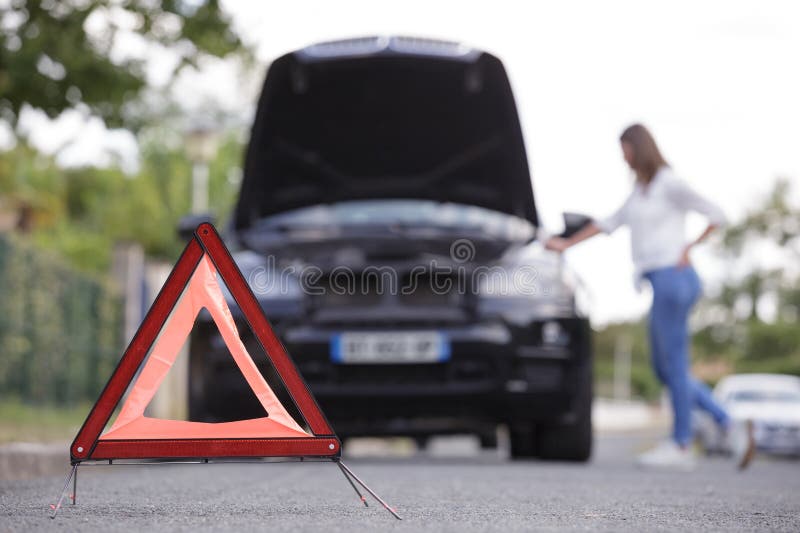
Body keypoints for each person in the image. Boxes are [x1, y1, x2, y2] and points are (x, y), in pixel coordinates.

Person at [545, 123, 755, 470]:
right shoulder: (639, 192)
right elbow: (608, 223)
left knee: (673, 366)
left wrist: (690, 247)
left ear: (638, 147)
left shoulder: (667, 183)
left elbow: (717, 214)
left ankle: (682, 445)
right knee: (665, 369)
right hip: (660, 281)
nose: (622, 156)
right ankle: (727, 423)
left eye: (625, 148)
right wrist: (566, 243)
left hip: (675, 278)